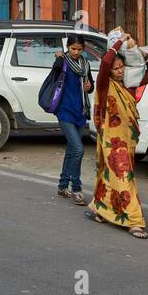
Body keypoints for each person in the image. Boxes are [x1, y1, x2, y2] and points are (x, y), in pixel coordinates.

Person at [85, 34, 148, 239]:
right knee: (124, 177)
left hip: (127, 140)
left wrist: (141, 55)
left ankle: (101, 209)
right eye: (115, 69)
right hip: (111, 140)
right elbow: (106, 61)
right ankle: (135, 221)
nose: (118, 71)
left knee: (110, 176)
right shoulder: (104, 84)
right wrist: (118, 43)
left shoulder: (129, 85)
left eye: (121, 68)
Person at [49, 34, 95, 205]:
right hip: (65, 111)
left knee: (71, 150)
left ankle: (62, 186)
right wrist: (58, 58)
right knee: (78, 150)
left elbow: (90, 86)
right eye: (72, 49)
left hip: (80, 111)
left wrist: (89, 87)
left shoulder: (85, 64)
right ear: (67, 47)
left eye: (79, 49)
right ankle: (76, 188)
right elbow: (54, 75)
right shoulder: (63, 61)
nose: (75, 52)